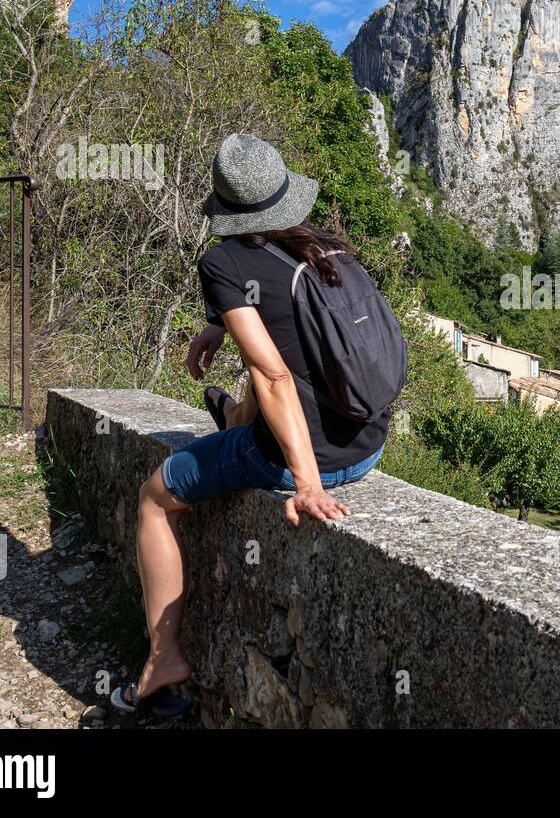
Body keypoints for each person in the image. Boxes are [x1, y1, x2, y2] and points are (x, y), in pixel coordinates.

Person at [111, 134, 389, 716]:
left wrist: (306, 480)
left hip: (306, 461)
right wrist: (218, 324)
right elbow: (295, 327)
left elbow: (275, 376)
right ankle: (233, 419)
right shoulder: (325, 247)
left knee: (155, 498)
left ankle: (164, 656)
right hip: (367, 444)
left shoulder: (222, 260)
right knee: (253, 391)